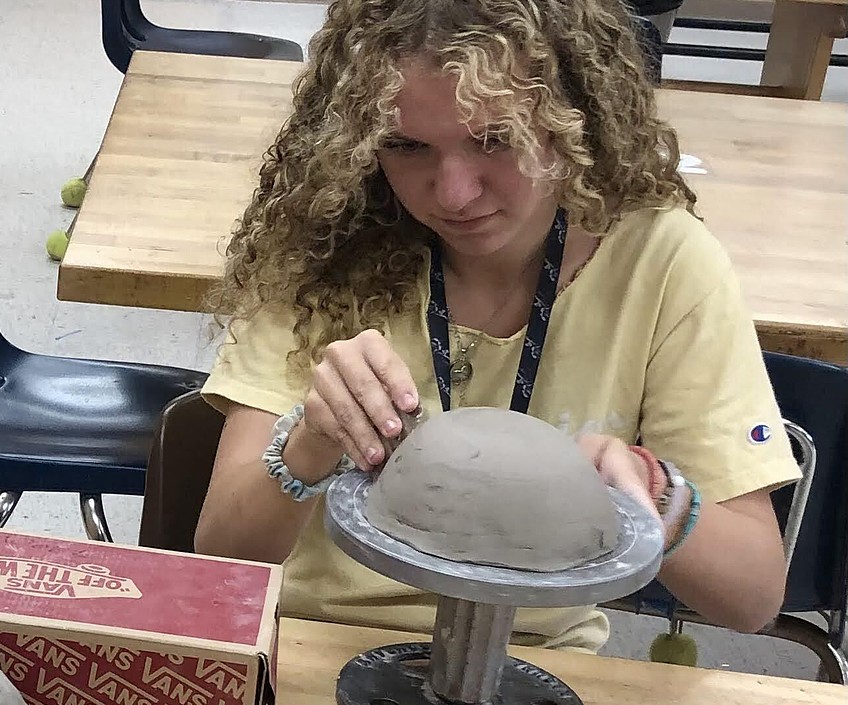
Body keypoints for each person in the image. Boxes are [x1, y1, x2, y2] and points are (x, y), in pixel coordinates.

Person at [192, 0, 799, 651]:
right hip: (311, 643)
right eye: (406, 146)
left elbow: (753, 596)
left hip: (533, 658)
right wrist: (310, 443)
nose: (454, 193)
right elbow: (221, 553)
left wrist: (654, 495)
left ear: (573, 118)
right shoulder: (326, 238)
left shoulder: (660, 261)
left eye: (495, 140)